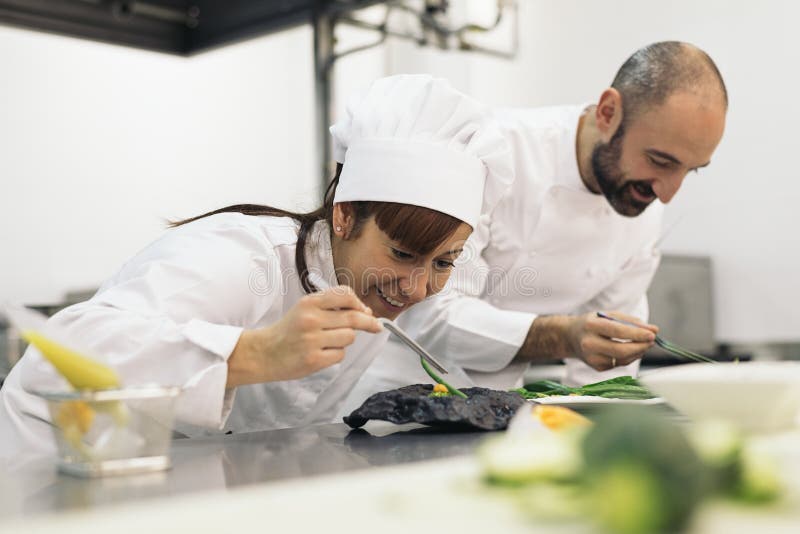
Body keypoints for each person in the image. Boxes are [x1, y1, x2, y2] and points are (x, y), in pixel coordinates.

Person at [0, 74, 512, 458]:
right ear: (344, 216)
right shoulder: (240, 254)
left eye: (443, 262)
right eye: (402, 253)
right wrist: (254, 353)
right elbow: (69, 348)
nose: (419, 286)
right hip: (49, 470)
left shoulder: (360, 286)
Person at [344, 41, 728, 405]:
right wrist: (563, 337)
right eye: (660, 161)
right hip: (397, 399)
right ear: (608, 112)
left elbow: (603, 377)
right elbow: (430, 314)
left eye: (689, 171)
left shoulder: (641, 203)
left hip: (502, 410)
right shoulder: (491, 152)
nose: (668, 193)